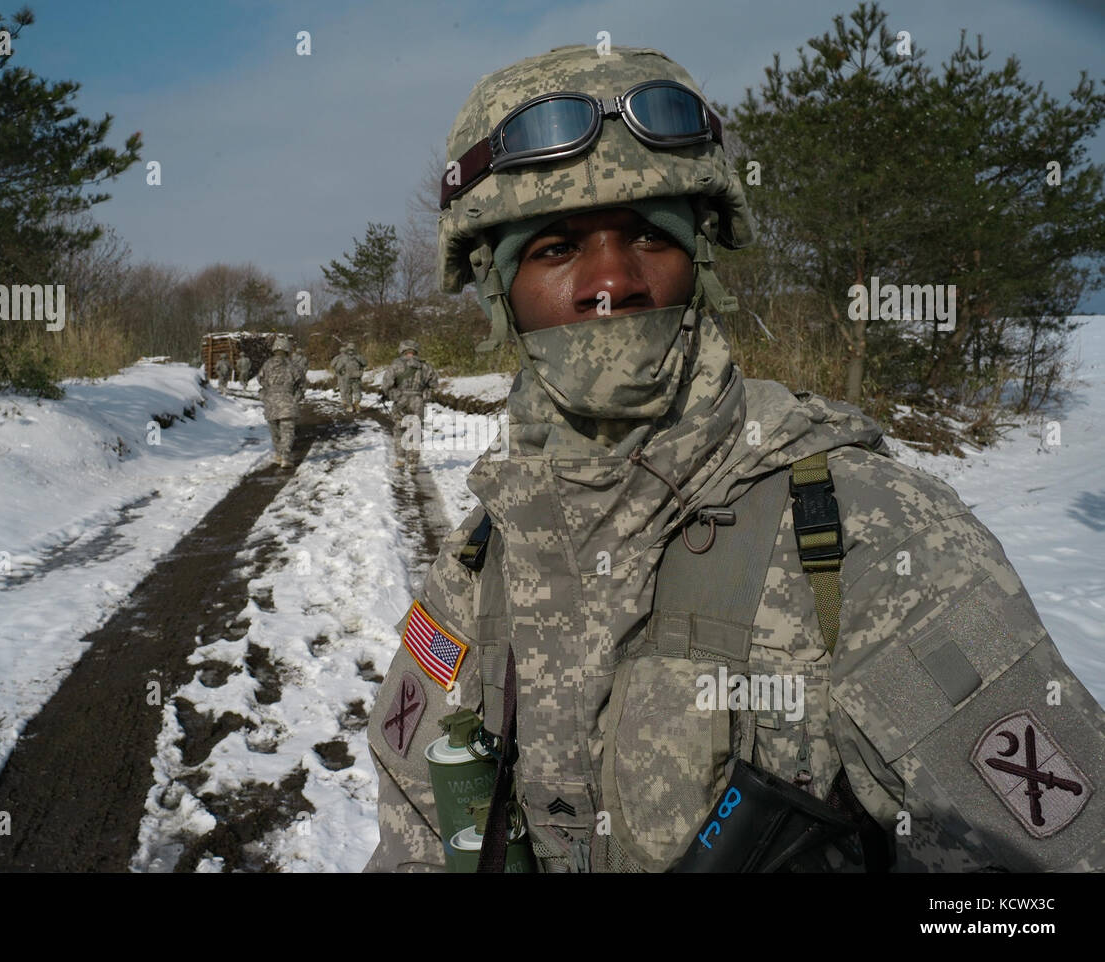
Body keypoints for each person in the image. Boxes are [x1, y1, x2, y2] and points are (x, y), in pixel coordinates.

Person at [365, 45, 1105, 873]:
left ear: (702, 264)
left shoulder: (872, 543)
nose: (612, 281)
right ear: (500, 293)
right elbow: (418, 833)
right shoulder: (481, 557)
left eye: (650, 234)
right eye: (556, 247)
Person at [379, 339, 437, 473]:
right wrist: (425, 392)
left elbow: (386, 385)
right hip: (418, 400)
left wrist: (393, 394)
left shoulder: (396, 365)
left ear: (402, 349)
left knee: (399, 429)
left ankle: (400, 459)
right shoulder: (425, 366)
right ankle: (413, 463)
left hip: (400, 400)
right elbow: (434, 384)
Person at [257, 334, 304, 468]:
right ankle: (286, 457)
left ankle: (278, 454)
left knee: (275, 431)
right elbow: (301, 383)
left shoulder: (267, 364)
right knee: (287, 431)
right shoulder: (293, 365)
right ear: (287, 350)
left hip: (270, 402)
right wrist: (296, 396)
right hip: (288, 401)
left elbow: (260, 380)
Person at [331, 341, 367, 413]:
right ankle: (357, 402)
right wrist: (360, 370)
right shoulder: (359, 357)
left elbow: (338, 368)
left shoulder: (343, 358)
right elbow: (365, 363)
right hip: (357, 377)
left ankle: (350, 407)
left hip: (347, 378)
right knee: (357, 392)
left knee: (348, 393)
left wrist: (341, 372)